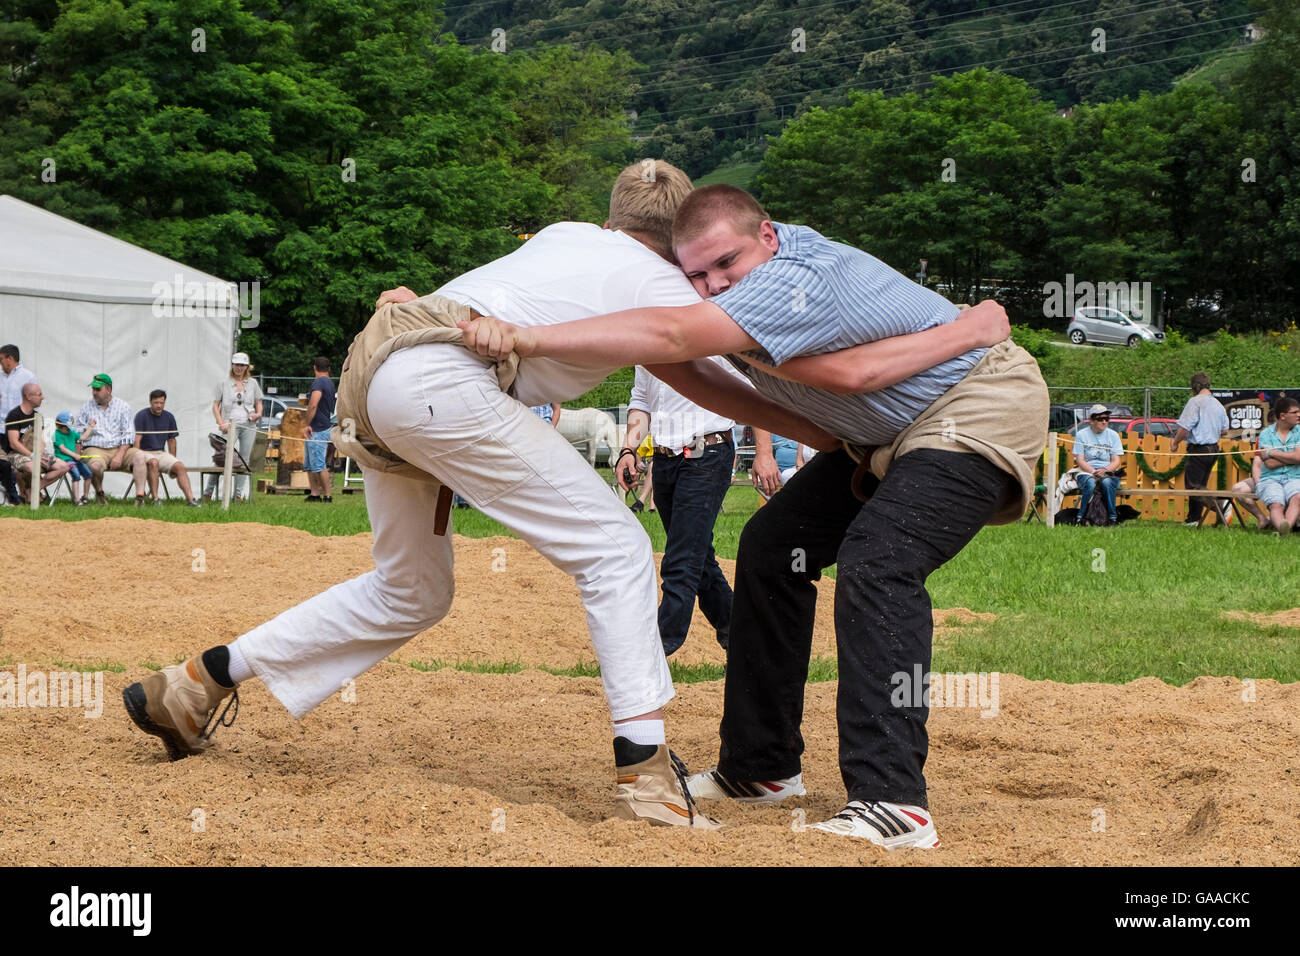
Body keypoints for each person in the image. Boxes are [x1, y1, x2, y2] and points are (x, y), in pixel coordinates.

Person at [122, 162, 998, 831]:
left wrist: (823, 442)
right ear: (675, 247)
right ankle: (646, 768)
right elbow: (741, 371)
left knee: (410, 590)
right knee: (616, 549)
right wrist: (875, 412)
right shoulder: (663, 284)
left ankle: (197, 683)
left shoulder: (561, 237)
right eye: (700, 270)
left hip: (380, 370)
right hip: (443, 380)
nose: (704, 285)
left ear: (614, 217)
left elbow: (708, 382)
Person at [459, 183, 1040, 848]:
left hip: (973, 403)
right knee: (771, 544)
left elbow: (686, 335)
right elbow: (718, 367)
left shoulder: (796, 278)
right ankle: (761, 768)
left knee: (880, 559)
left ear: (767, 235)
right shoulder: (733, 287)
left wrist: (522, 336)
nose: (712, 286)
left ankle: (893, 802)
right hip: (885, 432)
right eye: (697, 274)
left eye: (726, 265)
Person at [622, 359, 743, 655]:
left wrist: (764, 452)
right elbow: (641, 399)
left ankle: (655, 651)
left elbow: (749, 388)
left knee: (681, 559)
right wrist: (628, 448)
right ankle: (744, 641)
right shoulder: (644, 337)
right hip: (664, 460)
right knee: (698, 561)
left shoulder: (710, 322)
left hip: (707, 452)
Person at [73, 373, 146, 502]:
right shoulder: (86, 407)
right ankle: (100, 493)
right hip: (95, 448)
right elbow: (77, 432)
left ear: (109, 390)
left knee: (140, 456)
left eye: (98, 389)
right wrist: (80, 445)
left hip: (120, 448)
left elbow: (129, 434)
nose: (94, 393)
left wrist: (119, 455)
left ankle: (140, 497)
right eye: (93, 389)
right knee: (95, 466)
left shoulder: (123, 406)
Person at [1170, 372, 1230, 527]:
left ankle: (1221, 506)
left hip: (1199, 449)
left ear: (1194, 387)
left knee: (1193, 487)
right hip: (1213, 449)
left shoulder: (1195, 402)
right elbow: (1224, 430)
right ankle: (1193, 519)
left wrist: (1175, 443)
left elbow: (1184, 428)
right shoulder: (1218, 404)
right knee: (1199, 484)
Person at [206, 353, 263, 502]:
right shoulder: (223, 383)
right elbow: (215, 405)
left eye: (242, 365)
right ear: (232, 365)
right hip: (229, 424)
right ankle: (208, 492)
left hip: (248, 424)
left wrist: (258, 414)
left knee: (244, 459)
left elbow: (259, 402)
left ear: (247, 367)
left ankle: (238, 495)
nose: (239, 368)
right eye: (237, 365)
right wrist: (220, 422)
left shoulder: (252, 383)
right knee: (221, 457)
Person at [134, 389, 201, 507]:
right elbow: (137, 440)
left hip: (161, 452)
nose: (159, 405)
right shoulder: (141, 415)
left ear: (164, 402)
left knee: (179, 466)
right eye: (156, 403)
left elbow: (172, 440)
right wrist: (137, 457)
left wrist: (172, 460)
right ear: (150, 402)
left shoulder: (169, 417)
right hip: (144, 452)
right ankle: (156, 499)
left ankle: (191, 500)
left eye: (161, 402)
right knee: (153, 463)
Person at [4, 382, 70, 501]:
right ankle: (31, 495)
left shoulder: (37, 416)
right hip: (16, 454)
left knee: (63, 466)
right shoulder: (14, 415)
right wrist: (32, 456)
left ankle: (33, 490)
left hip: (34, 453)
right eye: (39, 394)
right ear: (28, 396)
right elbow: (14, 443)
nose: (43, 397)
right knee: (32, 467)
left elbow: (40, 440)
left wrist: (39, 455)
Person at [1071, 404, 1123, 526]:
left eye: (1107, 419)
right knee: (1090, 483)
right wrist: (1093, 471)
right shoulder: (1081, 435)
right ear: (1091, 421)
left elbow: (1116, 461)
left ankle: (1112, 518)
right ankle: (1081, 517)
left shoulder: (1113, 435)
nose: (1104, 422)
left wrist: (1105, 470)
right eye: (1100, 419)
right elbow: (1080, 459)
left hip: (1108, 471)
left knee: (1106, 482)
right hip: (1087, 471)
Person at [1254, 396, 1300, 535]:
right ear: (1283, 416)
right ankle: (1283, 528)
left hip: (1295, 477)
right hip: (1270, 479)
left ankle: (1283, 530)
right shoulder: (1265, 434)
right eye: (1295, 412)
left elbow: (1298, 457)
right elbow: (1270, 463)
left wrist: (1272, 452)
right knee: (1276, 504)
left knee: (1297, 497)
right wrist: (1292, 457)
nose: (1299, 415)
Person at [302, 357, 336, 503]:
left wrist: (306, 423)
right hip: (324, 425)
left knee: (319, 465)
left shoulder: (318, 382)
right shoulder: (330, 383)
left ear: (314, 368)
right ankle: (314, 493)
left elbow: (313, 404)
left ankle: (327, 495)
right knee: (310, 464)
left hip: (318, 428)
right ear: (329, 369)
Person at [52, 411, 94, 505]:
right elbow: (62, 449)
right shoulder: (57, 434)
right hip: (64, 460)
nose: (68, 430)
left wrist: (90, 427)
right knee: (76, 475)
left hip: (74, 459)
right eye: (66, 428)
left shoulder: (71, 432)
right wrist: (75, 455)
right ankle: (76, 500)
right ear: (59, 426)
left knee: (88, 474)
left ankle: (85, 497)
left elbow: (83, 437)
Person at [0, 344, 37, 420]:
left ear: (9, 359)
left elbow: (35, 404)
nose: (0, 362)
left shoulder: (29, 377)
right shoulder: (0, 377)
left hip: (19, 427)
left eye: (1, 359)